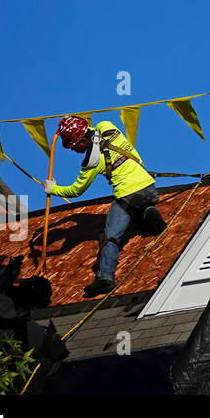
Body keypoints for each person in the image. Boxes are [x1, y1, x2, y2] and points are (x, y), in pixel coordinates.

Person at [44, 116, 166, 297]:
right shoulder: (107, 127)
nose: (75, 151)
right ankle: (148, 213)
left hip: (127, 194)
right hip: (149, 186)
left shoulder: (91, 162)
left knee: (110, 236)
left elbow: (76, 190)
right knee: (137, 209)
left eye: (75, 146)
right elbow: (91, 127)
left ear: (83, 140)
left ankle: (105, 278)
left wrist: (53, 189)